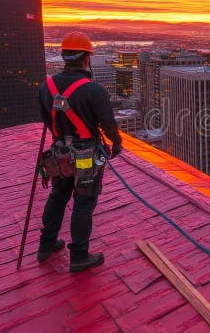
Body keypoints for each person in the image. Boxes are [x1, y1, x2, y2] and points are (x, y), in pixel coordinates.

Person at [36, 31, 122, 272]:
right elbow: (108, 124)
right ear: (87, 57)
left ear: (65, 56)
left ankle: (46, 244)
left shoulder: (46, 86)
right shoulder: (93, 90)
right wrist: (117, 143)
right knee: (83, 201)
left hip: (58, 154)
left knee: (58, 196)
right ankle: (79, 255)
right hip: (84, 157)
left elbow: (46, 120)